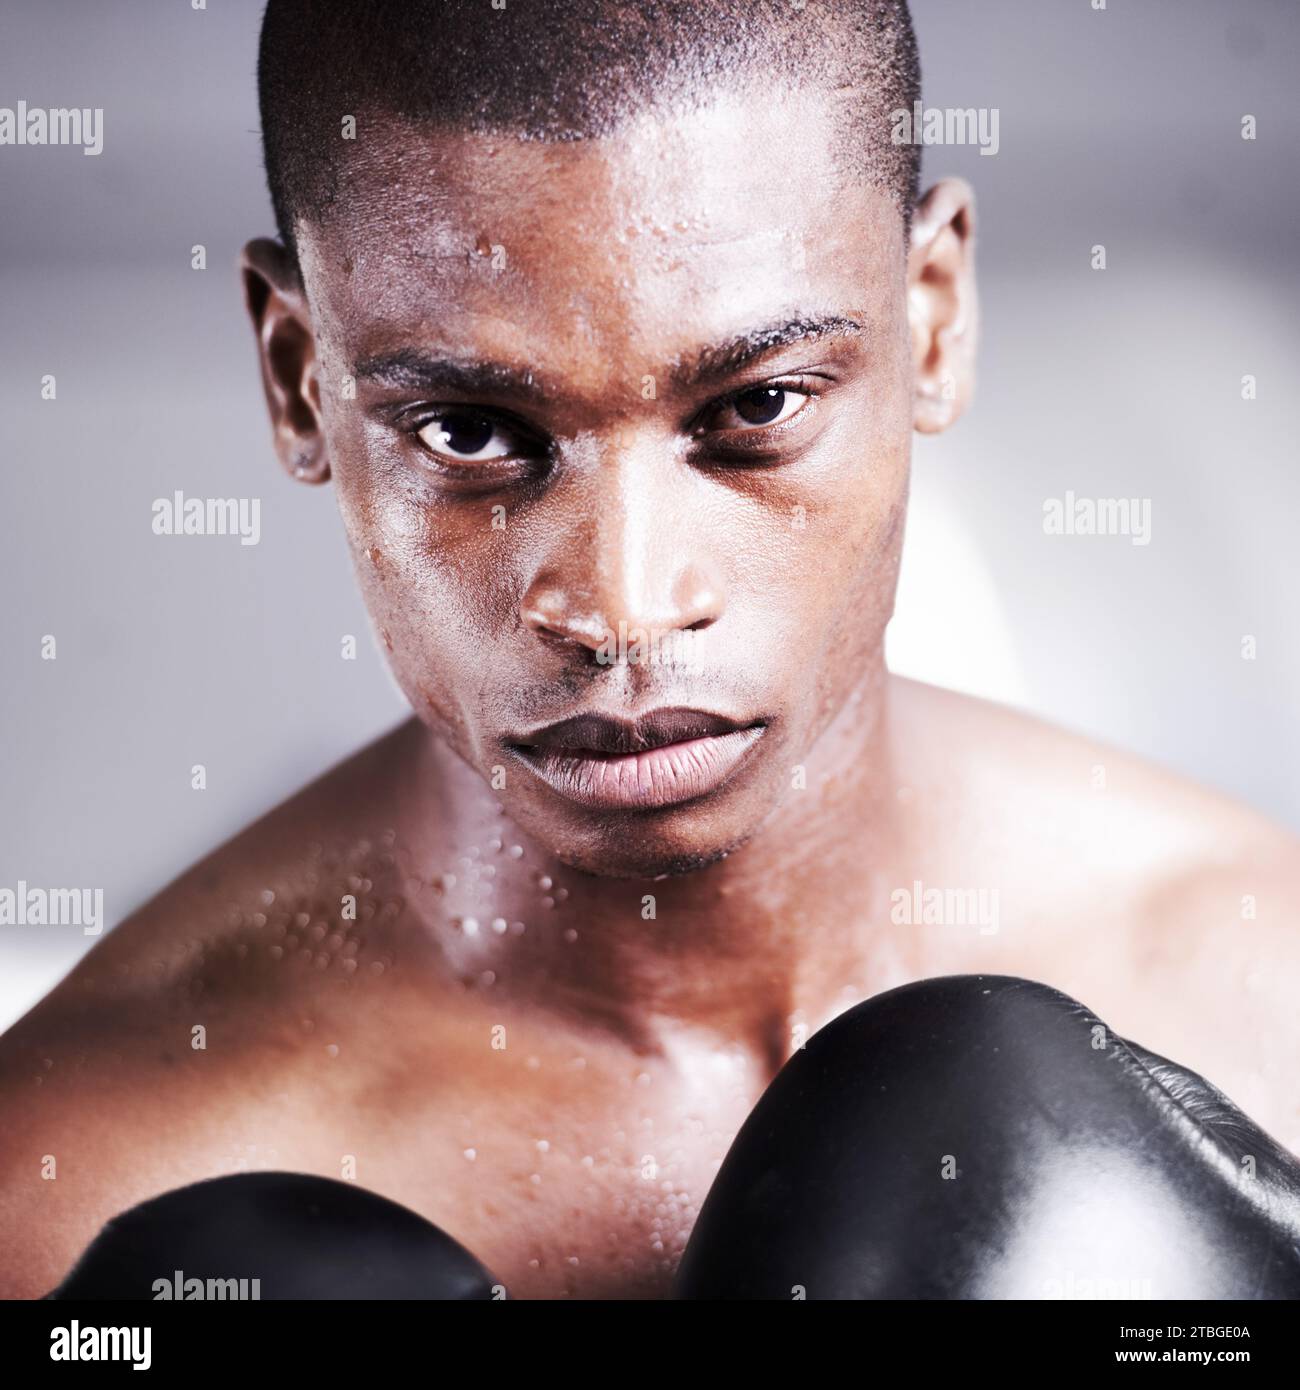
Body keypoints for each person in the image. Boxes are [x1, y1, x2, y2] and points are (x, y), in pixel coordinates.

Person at [3, 0, 1298, 1300]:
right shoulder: (65, 1185)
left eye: (758, 406)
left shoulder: (1262, 999)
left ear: (935, 319)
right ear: (298, 378)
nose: (622, 605)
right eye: (466, 429)